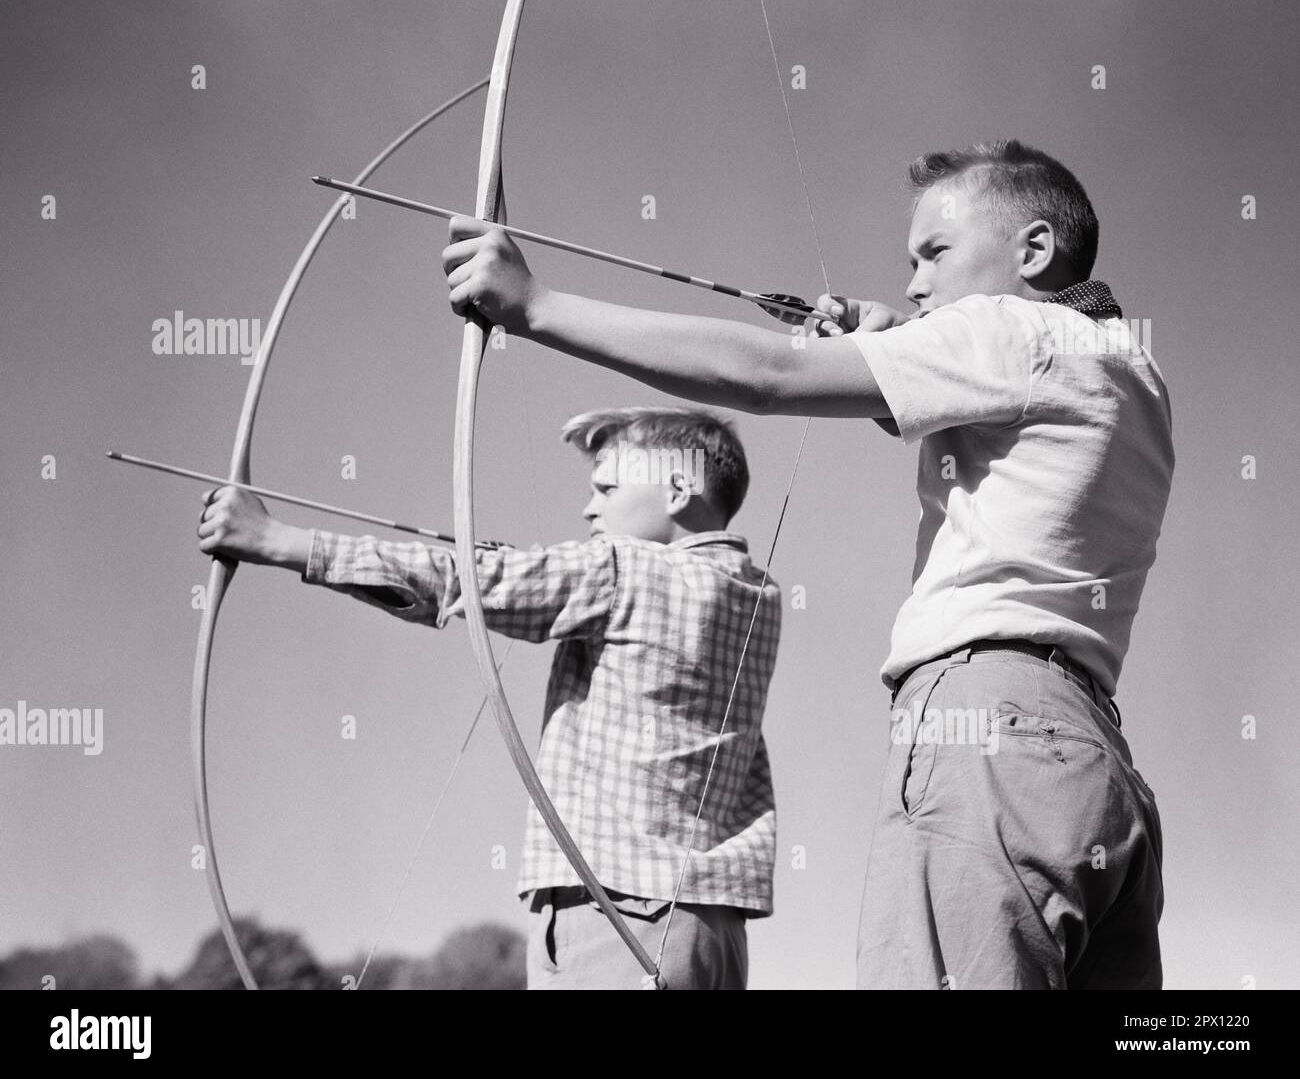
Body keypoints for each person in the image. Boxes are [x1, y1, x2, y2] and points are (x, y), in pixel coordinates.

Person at [443, 139, 1173, 989]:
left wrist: (534, 306)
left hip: (988, 732)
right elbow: (1020, 439)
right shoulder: (1132, 367)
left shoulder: (1006, 328)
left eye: (935, 252)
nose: (912, 283)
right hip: (1095, 763)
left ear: (1034, 251)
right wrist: (896, 350)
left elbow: (762, 376)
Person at [196, 405, 780, 989]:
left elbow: (467, 581)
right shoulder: (760, 596)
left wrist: (276, 539)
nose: (589, 507)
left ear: (678, 489)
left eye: (607, 487)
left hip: (616, 922)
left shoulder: (623, 568)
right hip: (714, 933)